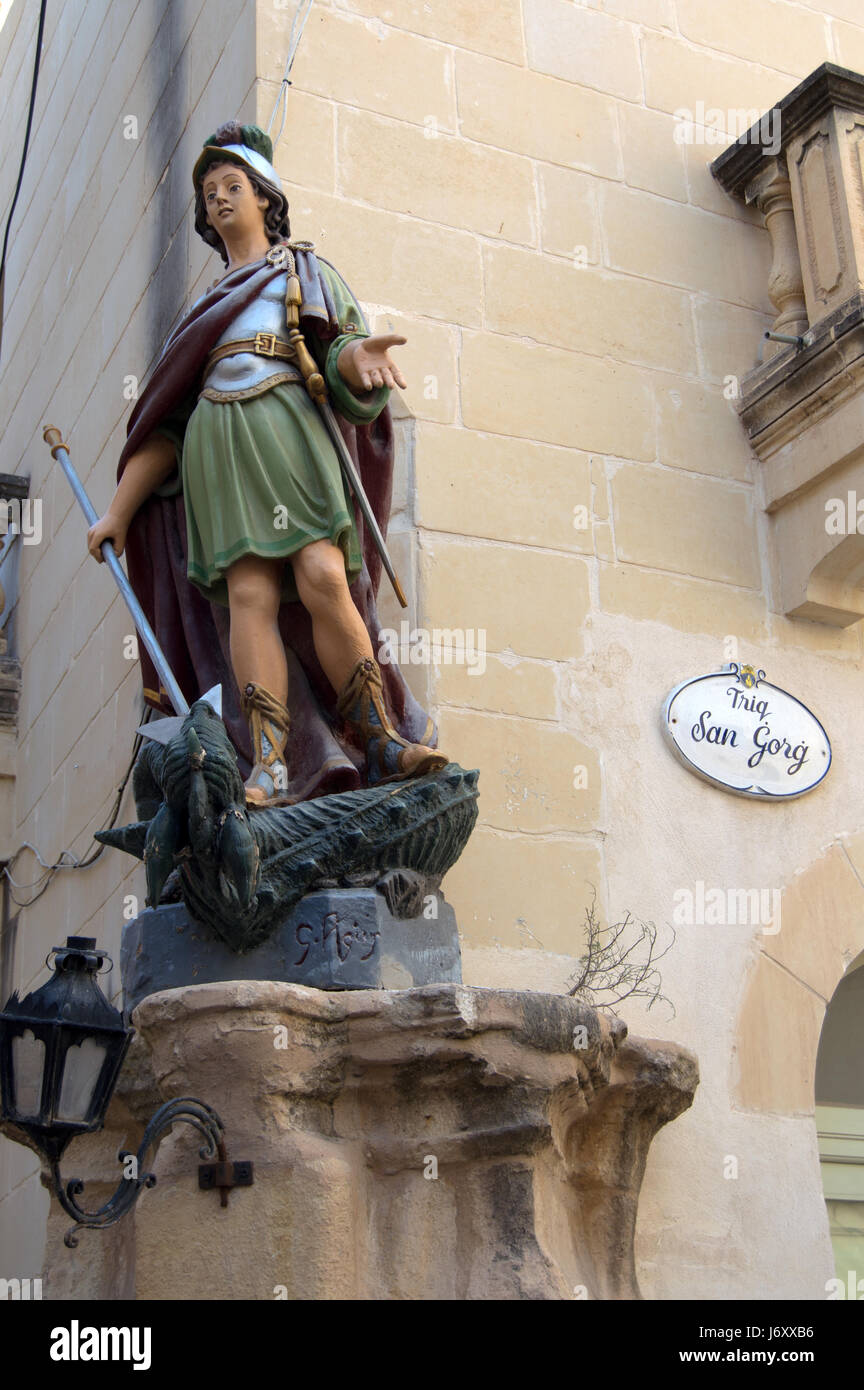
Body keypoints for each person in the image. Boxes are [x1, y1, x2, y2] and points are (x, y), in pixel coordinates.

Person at [87, 121, 447, 806]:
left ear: (265, 198)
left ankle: (378, 735)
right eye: (208, 193)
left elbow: (337, 347)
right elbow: (164, 425)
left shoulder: (306, 271)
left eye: (231, 186)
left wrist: (357, 360)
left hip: (288, 431)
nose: (217, 200)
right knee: (247, 598)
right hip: (219, 448)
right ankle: (270, 764)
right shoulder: (202, 311)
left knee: (321, 573)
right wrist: (118, 512)